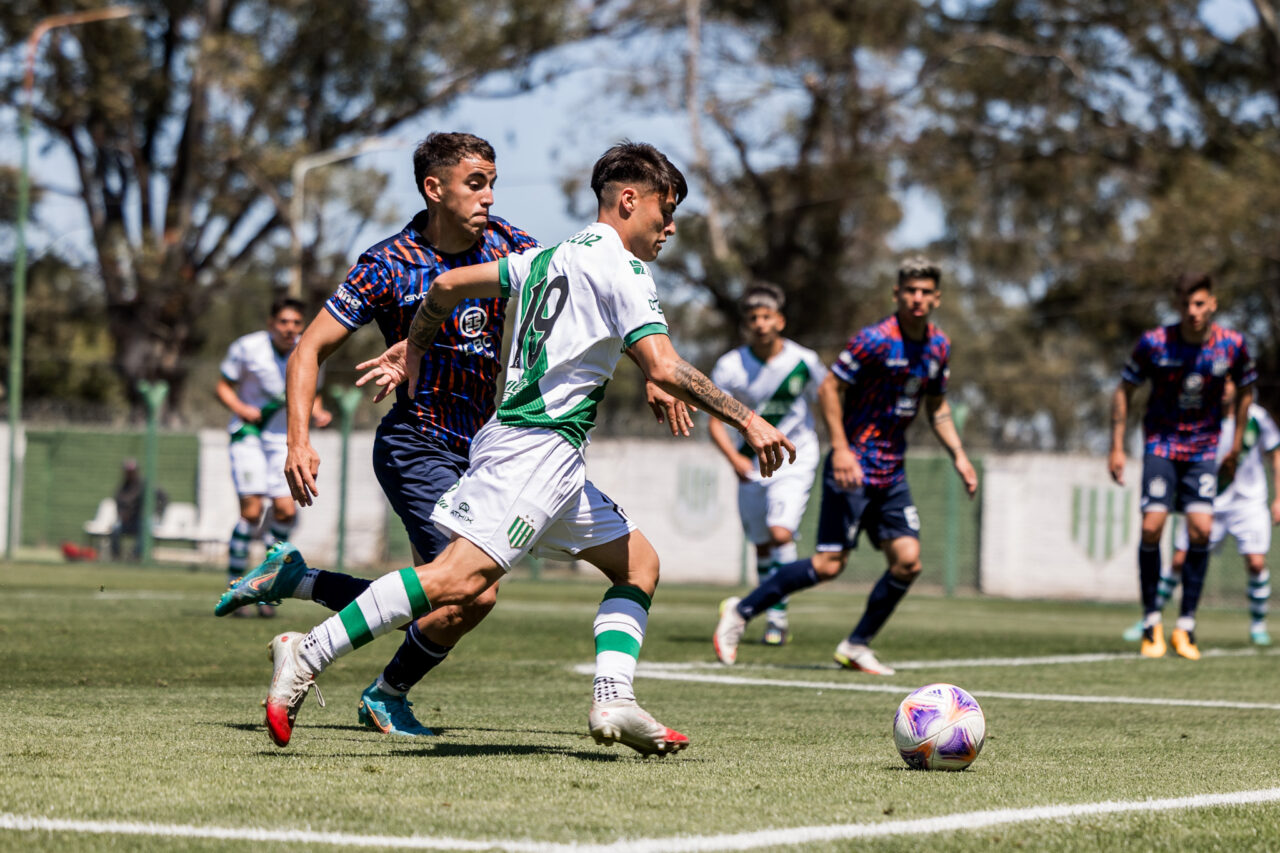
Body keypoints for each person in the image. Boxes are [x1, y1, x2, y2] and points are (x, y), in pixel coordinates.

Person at [254, 141, 795, 755]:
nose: (668, 228)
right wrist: (748, 419)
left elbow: (450, 284)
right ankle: (309, 651)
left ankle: (613, 698)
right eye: (663, 211)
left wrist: (414, 345)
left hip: (542, 453)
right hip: (533, 449)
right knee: (459, 581)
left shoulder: (548, 256)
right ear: (628, 200)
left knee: (639, 564)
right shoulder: (623, 267)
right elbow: (665, 365)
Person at [713, 256, 978, 674]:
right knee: (828, 565)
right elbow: (831, 387)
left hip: (891, 473)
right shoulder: (874, 340)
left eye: (926, 291)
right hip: (851, 469)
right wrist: (841, 448)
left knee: (909, 562)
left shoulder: (938, 347)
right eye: (910, 290)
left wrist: (959, 456)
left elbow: (938, 406)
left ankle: (856, 644)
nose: (917, 298)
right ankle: (742, 611)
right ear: (897, 294)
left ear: (937, 298)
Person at [1108, 273, 1257, 660]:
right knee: (1152, 525)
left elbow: (1245, 391)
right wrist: (1117, 446)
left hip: (1204, 448)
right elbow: (1124, 389)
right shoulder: (1156, 343)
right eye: (1186, 304)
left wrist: (1236, 443)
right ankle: (1151, 621)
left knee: (1201, 530)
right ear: (1178, 306)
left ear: (1213, 304)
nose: (1193, 311)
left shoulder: (1232, 345)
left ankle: (1186, 627)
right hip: (1161, 443)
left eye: (1200, 303)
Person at [708, 282, 825, 646]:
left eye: (767, 317)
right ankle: (769, 613)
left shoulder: (803, 362)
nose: (760, 323)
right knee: (760, 544)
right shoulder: (730, 366)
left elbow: (830, 397)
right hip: (750, 462)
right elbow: (714, 421)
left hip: (795, 458)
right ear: (747, 324)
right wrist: (733, 461)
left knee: (780, 533)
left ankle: (777, 618)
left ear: (780, 321)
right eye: (753, 318)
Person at [1122, 377, 1278, 646]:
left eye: (1231, 383)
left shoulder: (1257, 418)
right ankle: (1151, 615)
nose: (1226, 388)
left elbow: (1276, 452)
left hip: (1248, 502)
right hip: (1210, 498)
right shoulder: (1203, 416)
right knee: (1179, 561)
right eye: (1222, 382)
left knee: (1256, 562)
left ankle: (1257, 626)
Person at [215, 297, 332, 616]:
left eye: (296, 323)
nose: (290, 329)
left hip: (284, 440)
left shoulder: (310, 350)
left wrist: (319, 412)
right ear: (271, 324)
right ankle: (235, 585)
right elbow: (223, 386)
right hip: (249, 436)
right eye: (284, 322)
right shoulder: (247, 348)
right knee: (252, 512)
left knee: (284, 512)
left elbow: (313, 391)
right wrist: (241, 409)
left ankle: (265, 584)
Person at [109, 458, 168, 561]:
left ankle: (136, 555)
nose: (129, 474)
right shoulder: (123, 487)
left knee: (145, 527)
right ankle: (116, 556)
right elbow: (118, 503)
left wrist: (158, 512)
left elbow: (163, 497)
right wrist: (122, 514)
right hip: (127, 522)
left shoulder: (144, 484)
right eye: (127, 472)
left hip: (141, 520)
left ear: (136, 471)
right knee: (115, 528)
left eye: (132, 472)